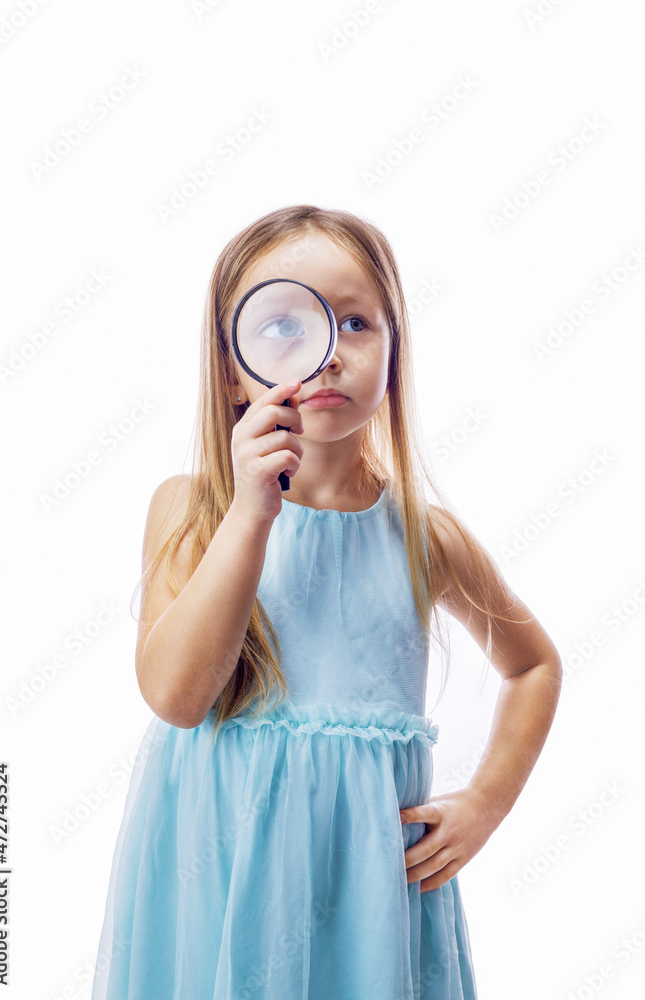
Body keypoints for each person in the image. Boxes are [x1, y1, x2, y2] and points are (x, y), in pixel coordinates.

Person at [90, 204, 563, 1000]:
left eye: (356, 323)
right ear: (232, 363)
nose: (328, 354)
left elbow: (534, 665)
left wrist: (484, 803)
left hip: (366, 894)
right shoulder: (193, 510)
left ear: (395, 350)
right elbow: (176, 697)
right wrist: (250, 512)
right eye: (285, 326)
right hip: (220, 870)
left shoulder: (424, 537)